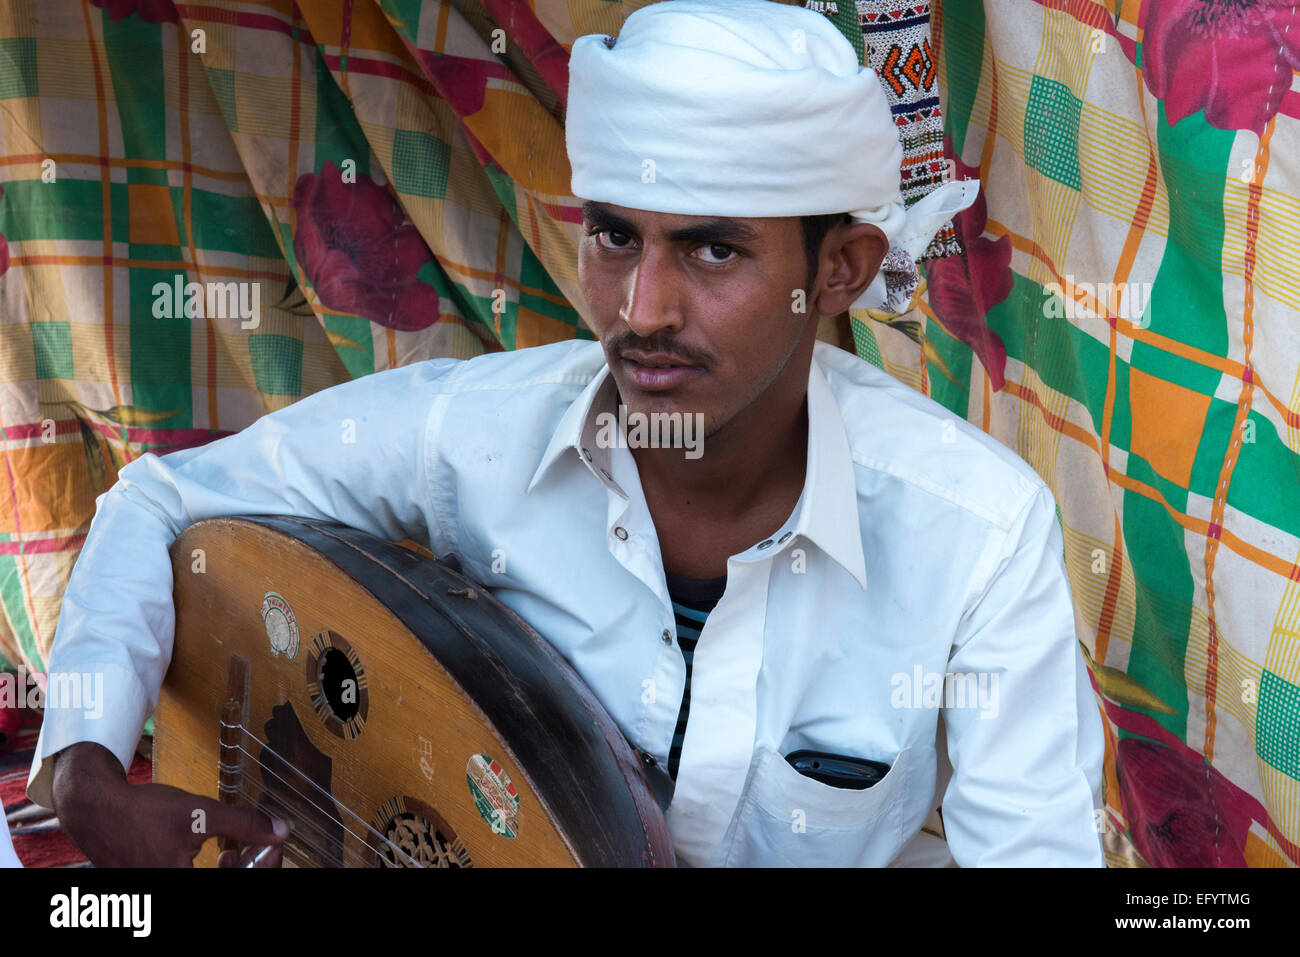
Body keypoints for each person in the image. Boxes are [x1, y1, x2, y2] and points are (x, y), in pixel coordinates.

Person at [29, 0, 1104, 867]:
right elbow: (159, 500)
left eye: (713, 252)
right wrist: (79, 761)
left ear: (838, 271)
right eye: (613, 237)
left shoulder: (975, 532)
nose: (640, 309)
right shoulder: (474, 436)